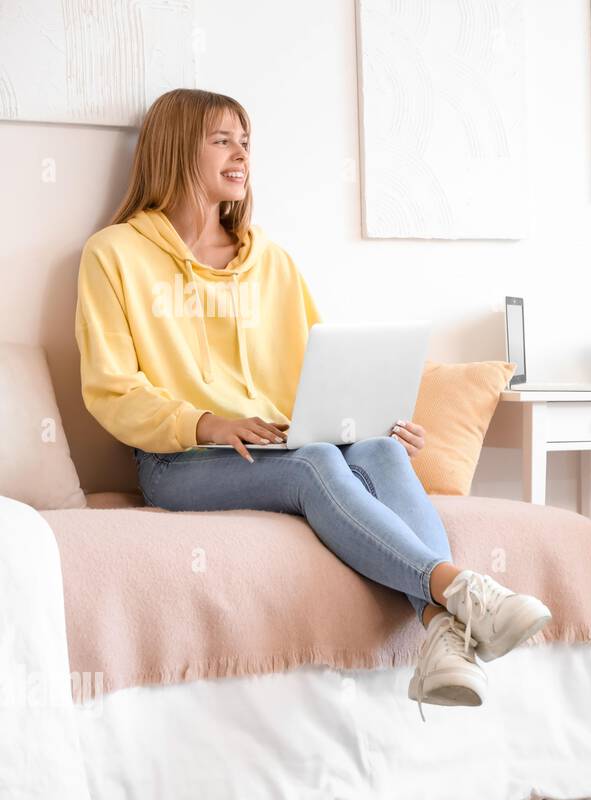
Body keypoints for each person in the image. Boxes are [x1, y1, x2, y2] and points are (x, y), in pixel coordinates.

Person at [74, 88, 549, 712]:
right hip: (178, 461)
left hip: (276, 444)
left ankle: (443, 634)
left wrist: (371, 420)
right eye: (222, 140)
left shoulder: (270, 261)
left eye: (246, 142)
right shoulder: (113, 254)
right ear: (175, 149)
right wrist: (206, 422)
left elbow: (319, 371)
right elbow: (111, 389)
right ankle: (460, 591)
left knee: (379, 451)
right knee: (315, 464)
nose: (241, 155)